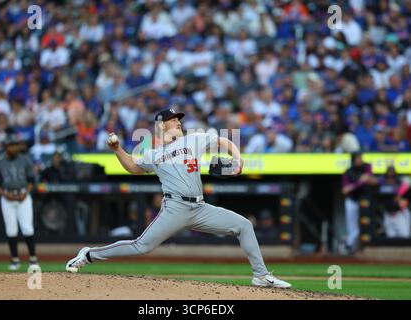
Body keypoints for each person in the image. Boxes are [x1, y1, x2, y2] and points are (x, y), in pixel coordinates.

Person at [66, 107, 291, 288]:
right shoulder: (153, 153)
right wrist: (117, 149)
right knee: (141, 246)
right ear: (162, 125)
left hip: (200, 208)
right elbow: (133, 167)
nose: (179, 123)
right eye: (174, 120)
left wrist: (238, 158)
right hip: (174, 207)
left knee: (243, 225)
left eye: (179, 120)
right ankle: (89, 254)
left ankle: (260, 275)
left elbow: (223, 142)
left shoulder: (193, 140)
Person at [0, 134, 38, 270]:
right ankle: (15, 260)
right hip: (7, 197)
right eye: (11, 145)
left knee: (27, 228)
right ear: (6, 147)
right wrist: (6, 195)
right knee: (11, 230)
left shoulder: (25, 160)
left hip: (23, 195)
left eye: (16, 145)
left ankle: (33, 258)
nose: (15, 148)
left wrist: (25, 193)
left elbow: (31, 180)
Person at [341, 152, 377, 254]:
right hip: (352, 200)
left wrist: (357, 184)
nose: (359, 160)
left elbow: (372, 180)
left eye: (360, 158)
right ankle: (350, 247)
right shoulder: (348, 171)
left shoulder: (366, 167)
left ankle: (351, 246)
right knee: (353, 228)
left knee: (365, 226)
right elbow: (345, 190)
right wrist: (359, 182)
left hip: (364, 201)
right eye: (357, 158)